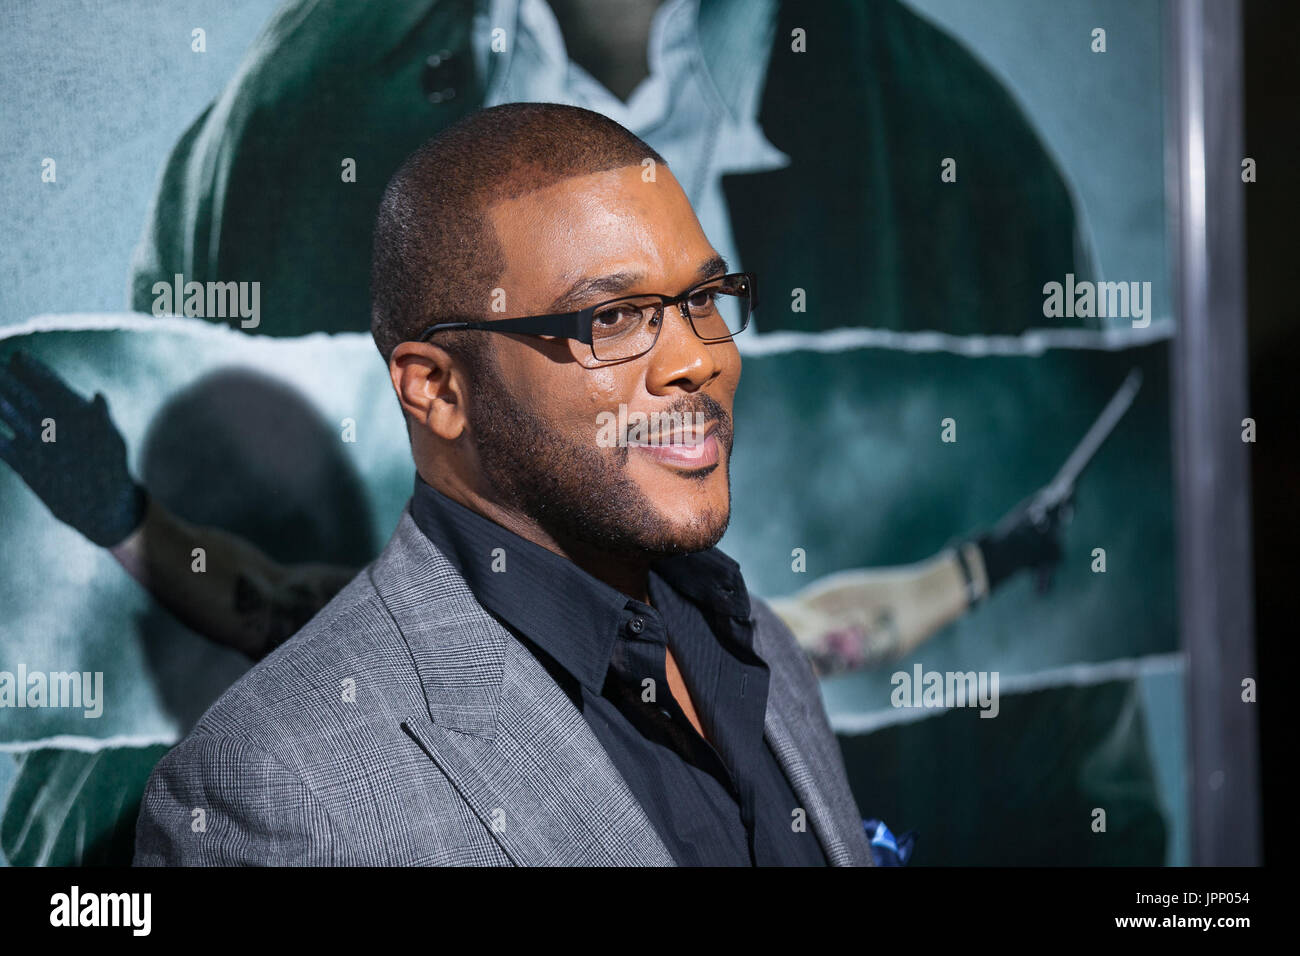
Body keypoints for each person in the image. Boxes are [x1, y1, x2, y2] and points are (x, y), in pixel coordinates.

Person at [133, 103, 875, 866]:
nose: (698, 360)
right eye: (612, 318)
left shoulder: (758, 643)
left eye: (701, 300)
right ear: (438, 390)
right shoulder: (279, 791)